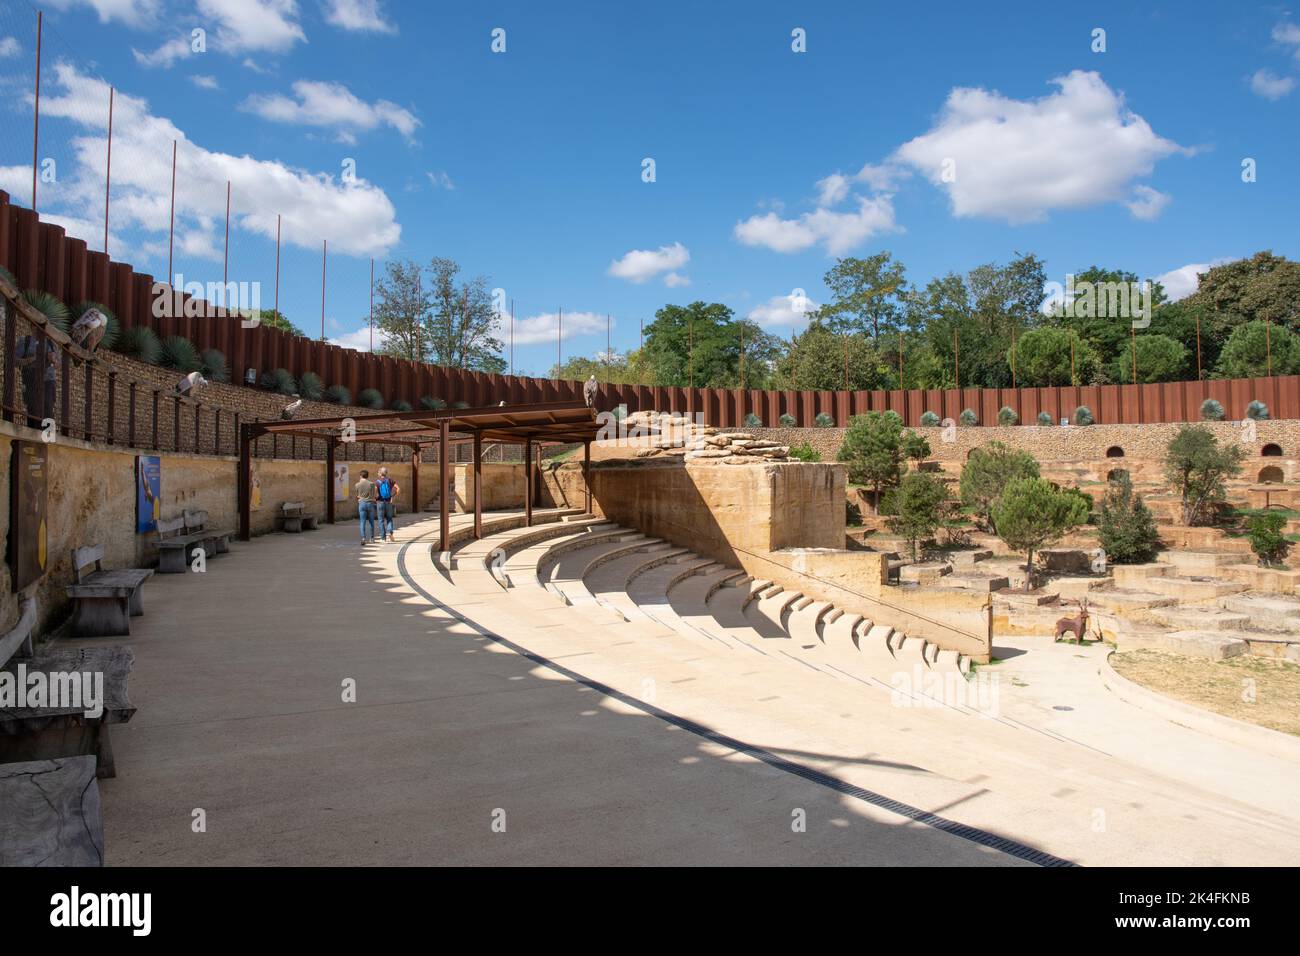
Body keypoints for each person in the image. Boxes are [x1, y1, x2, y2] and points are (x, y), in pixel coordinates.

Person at [375, 467, 401, 542]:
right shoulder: (390, 480)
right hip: (389, 502)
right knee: (389, 518)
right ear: (386, 473)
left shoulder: (377, 482)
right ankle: (390, 532)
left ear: (380, 473)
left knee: (381, 520)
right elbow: (398, 489)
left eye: (378, 472)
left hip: (380, 502)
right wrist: (392, 496)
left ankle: (383, 538)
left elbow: (374, 492)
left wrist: (375, 499)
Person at [355, 469, 377, 545]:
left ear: (361, 476)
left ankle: (363, 538)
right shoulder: (372, 484)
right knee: (371, 522)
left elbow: (357, 495)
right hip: (370, 503)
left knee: (362, 522)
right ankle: (372, 538)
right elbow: (373, 495)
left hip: (362, 503)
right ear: (367, 476)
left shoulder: (357, 484)